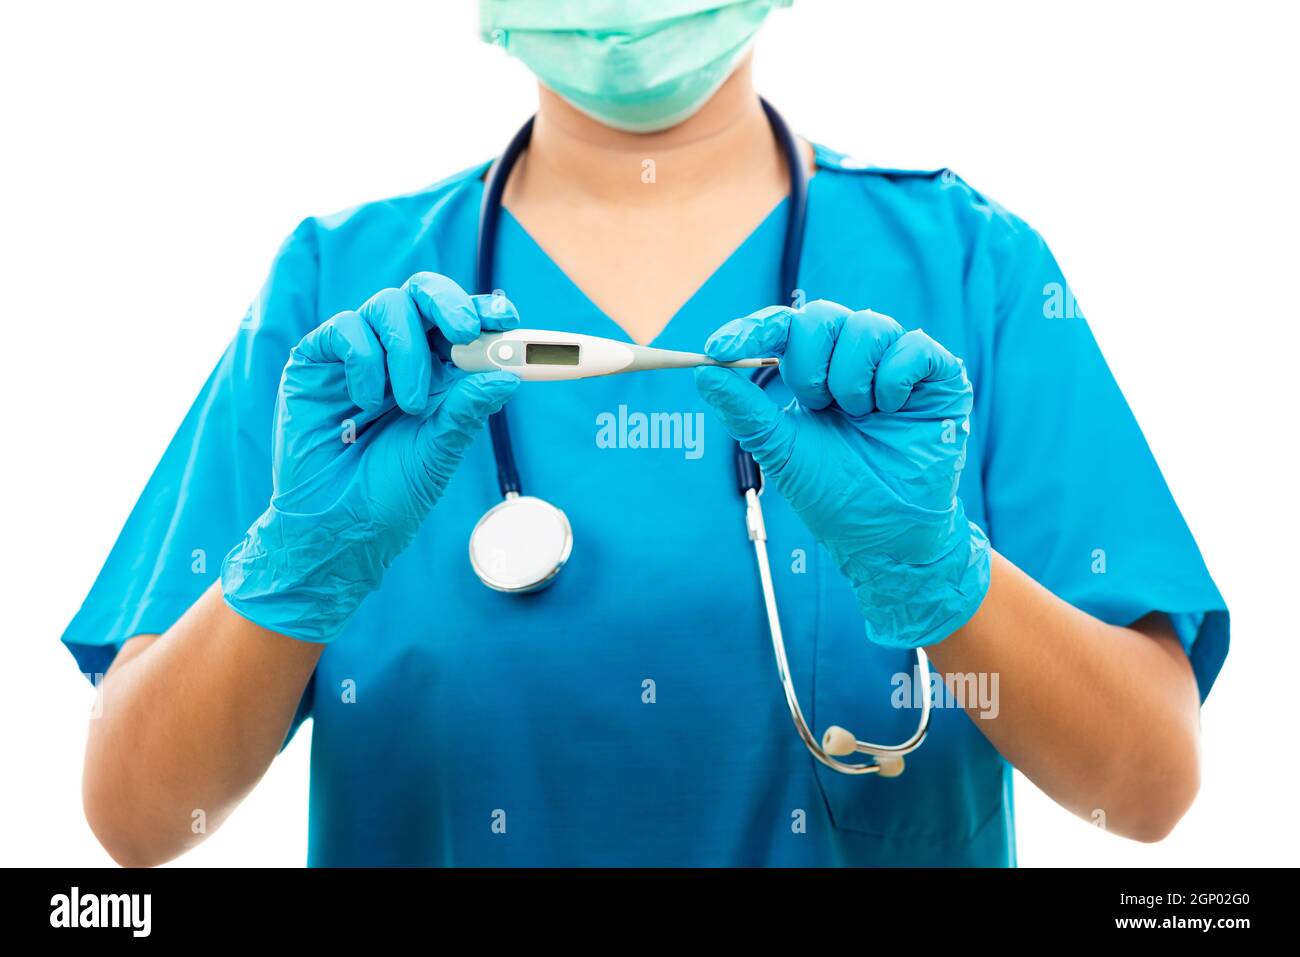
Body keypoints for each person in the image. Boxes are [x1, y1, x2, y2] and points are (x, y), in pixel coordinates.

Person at [63, 0, 1228, 867]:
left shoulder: (969, 271)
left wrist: (943, 576)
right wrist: (292, 575)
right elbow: (141, 817)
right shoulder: (341, 300)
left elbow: (1144, 789)